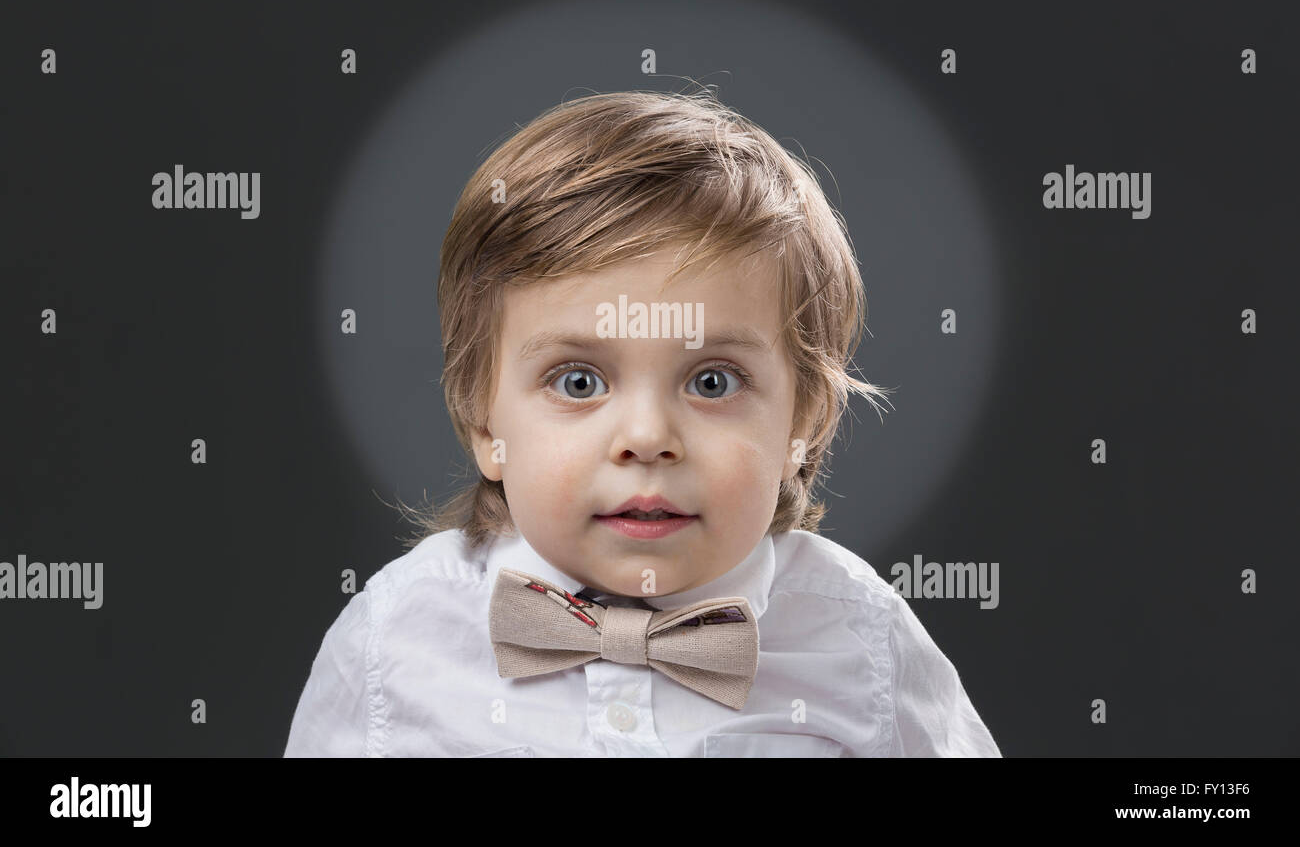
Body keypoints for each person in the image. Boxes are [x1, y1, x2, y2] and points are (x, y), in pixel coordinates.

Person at [284, 89, 1001, 757]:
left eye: (713, 382)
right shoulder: (395, 637)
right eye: (579, 381)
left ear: (804, 422)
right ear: (482, 422)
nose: (648, 436)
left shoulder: (861, 636)